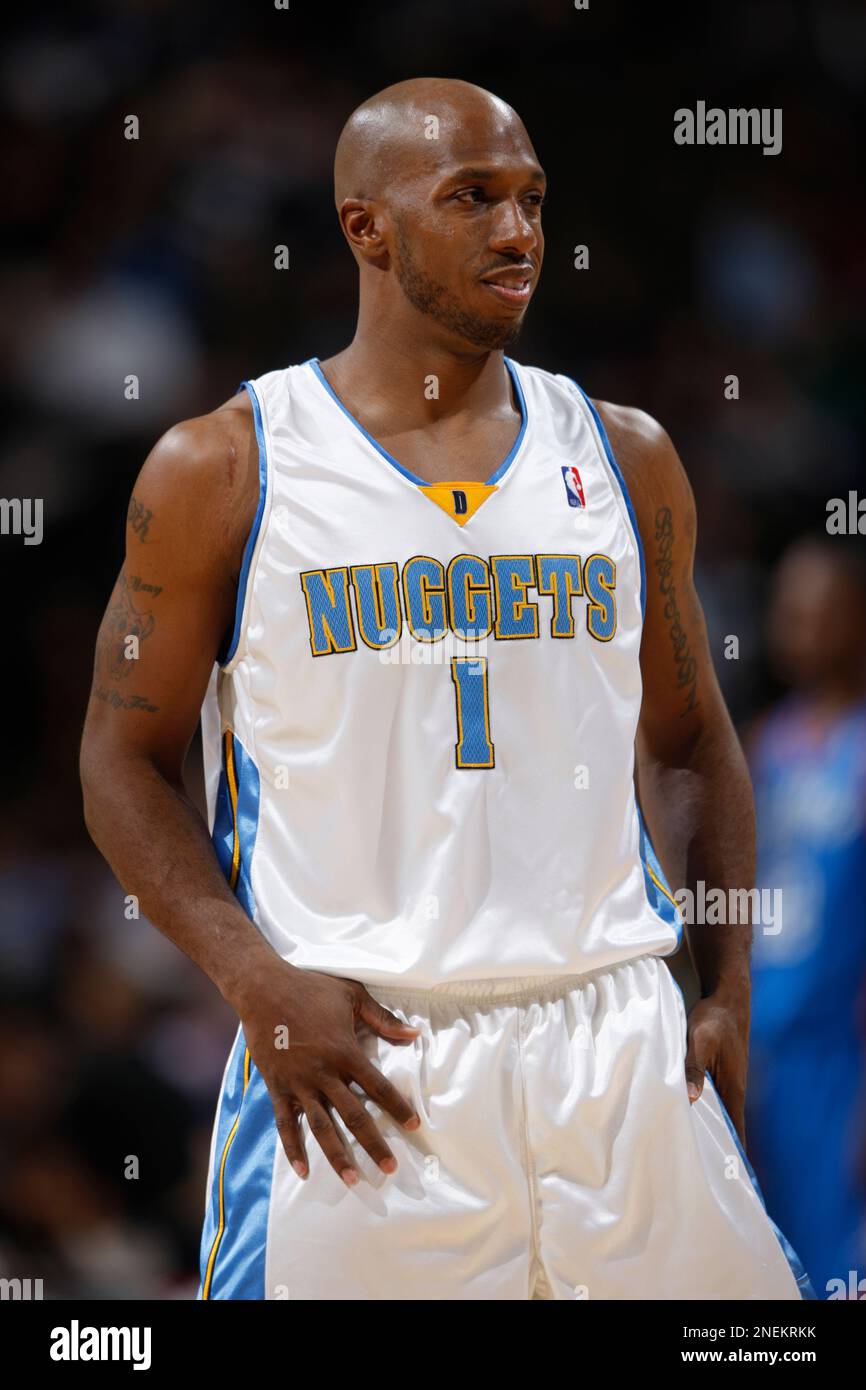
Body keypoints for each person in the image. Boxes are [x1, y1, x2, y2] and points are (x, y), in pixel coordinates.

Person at [79, 77, 812, 1300]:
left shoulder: (624, 455)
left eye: (529, 201)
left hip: (617, 1034)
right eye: (470, 199)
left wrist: (727, 987)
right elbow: (120, 757)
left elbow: (688, 735)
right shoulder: (225, 466)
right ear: (365, 227)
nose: (518, 234)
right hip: (365, 1059)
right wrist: (253, 982)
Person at [746, 536, 866, 1299]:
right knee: (766, 1281)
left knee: (839, 1277)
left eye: (814, 612)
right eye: (785, 613)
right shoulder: (764, 745)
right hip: (764, 1056)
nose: (795, 628)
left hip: (842, 1058)